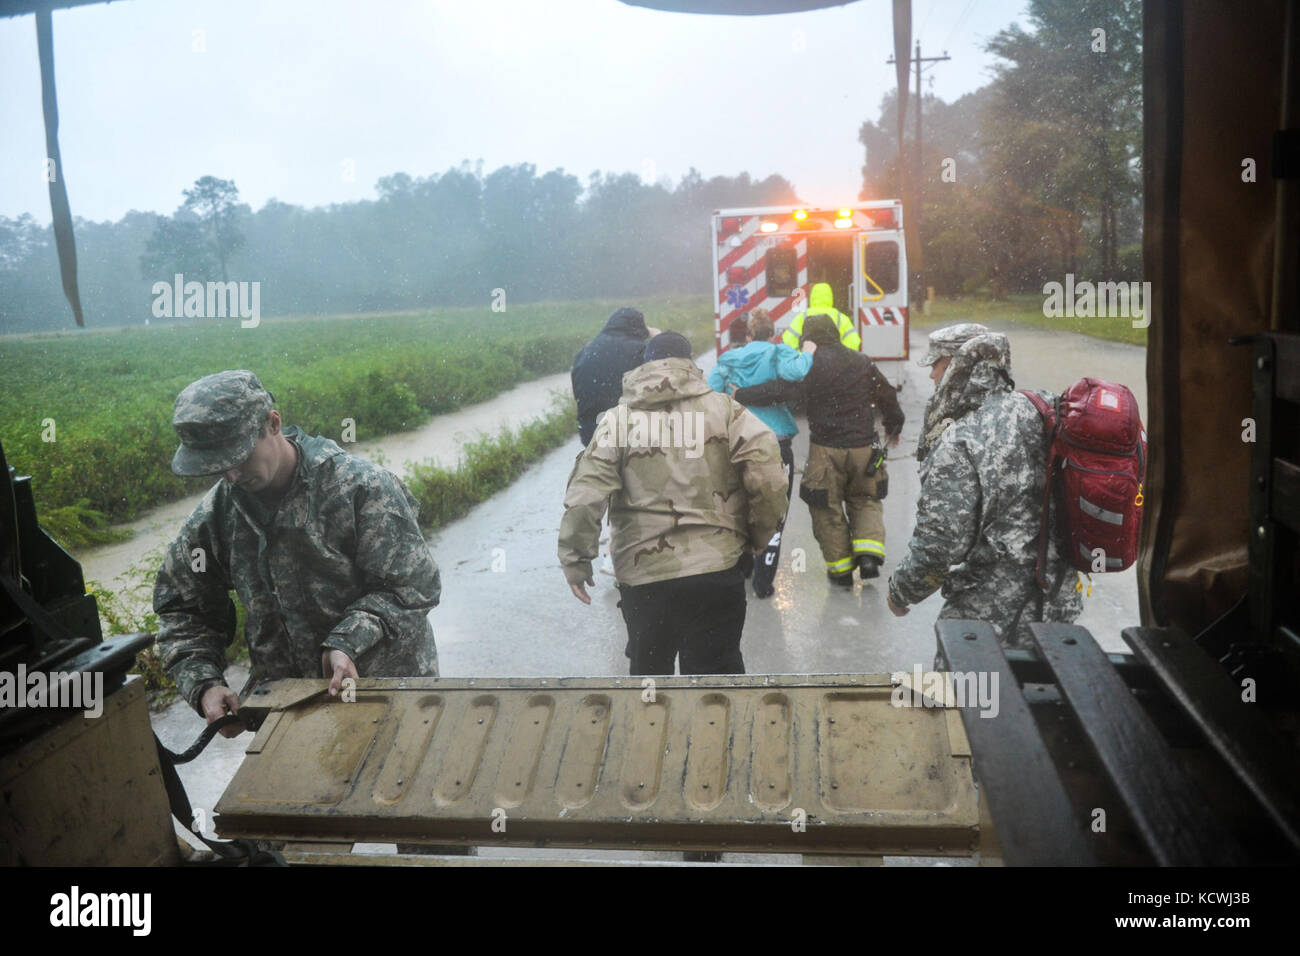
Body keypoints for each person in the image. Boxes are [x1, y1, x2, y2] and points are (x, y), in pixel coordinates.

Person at [153, 370, 441, 736]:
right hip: (290, 714)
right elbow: (182, 610)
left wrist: (347, 642)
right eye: (218, 465)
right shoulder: (215, 519)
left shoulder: (360, 489)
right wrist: (205, 684)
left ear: (273, 423)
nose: (233, 475)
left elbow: (413, 586)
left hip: (388, 698)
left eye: (240, 456)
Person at [558, 332, 788, 675]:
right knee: (716, 689)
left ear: (645, 364)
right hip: (716, 572)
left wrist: (576, 559)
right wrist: (758, 536)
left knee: (651, 685)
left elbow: (586, 493)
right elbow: (769, 476)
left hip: (644, 578)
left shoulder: (618, 421)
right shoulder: (726, 411)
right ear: (690, 363)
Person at [886, 325, 1083, 649]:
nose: (933, 376)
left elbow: (940, 543)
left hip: (991, 614)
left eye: (936, 365)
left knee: (972, 695)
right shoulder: (1042, 408)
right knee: (1045, 693)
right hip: (1060, 603)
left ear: (955, 364)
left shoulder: (963, 436)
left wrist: (902, 592)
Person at [736, 313, 903, 588]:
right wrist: (893, 425)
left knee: (825, 506)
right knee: (866, 499)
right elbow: (886, 393)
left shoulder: (812, 365)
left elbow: (780, 390)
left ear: (807, 337)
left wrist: (742, 394)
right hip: (864, 446)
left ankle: (840, 570)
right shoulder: (861, 361)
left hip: (827, 449)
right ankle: (869, 554)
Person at [707, 311, 817, 598]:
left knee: (741, 509)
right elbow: (797, 371)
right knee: (775, 513)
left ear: (747, 336)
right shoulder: (778, 352)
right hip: (776, 444)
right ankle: (763, 581)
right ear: (773, 335)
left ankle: (742, 568)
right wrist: (807, 351)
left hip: (739, 444)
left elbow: (711, 392)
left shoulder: (729, 359)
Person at [571, 306, 660, 446]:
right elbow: (667, 383)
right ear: (639, 328)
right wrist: (659, 341)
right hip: (629, 435)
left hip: (591, 435)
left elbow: (579, 394)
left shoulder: (586, 351)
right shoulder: (640, 351)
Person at [781, 281, 862, 351]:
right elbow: (854, 341)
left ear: (812, 296)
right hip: (833, 364)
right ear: (830, 296)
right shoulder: (840, 317)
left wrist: (802, 355)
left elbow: (788, 340)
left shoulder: (802, 317)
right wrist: (841, 355)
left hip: (810, 364)